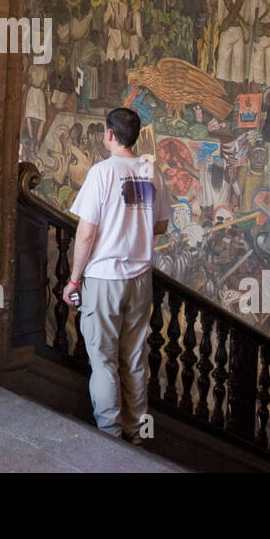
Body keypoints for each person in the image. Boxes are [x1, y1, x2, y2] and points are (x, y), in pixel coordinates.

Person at [62, 107, 171, 442]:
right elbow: (161, 225)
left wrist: (74, 280)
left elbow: (85, 233)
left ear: (110, 134)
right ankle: (136, 434)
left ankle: (110, 436)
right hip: (140, 279)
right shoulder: (152, 171)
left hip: (104, 279)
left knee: (104, 359)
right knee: (135, 359)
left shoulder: (102, 172)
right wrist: (133, 233)